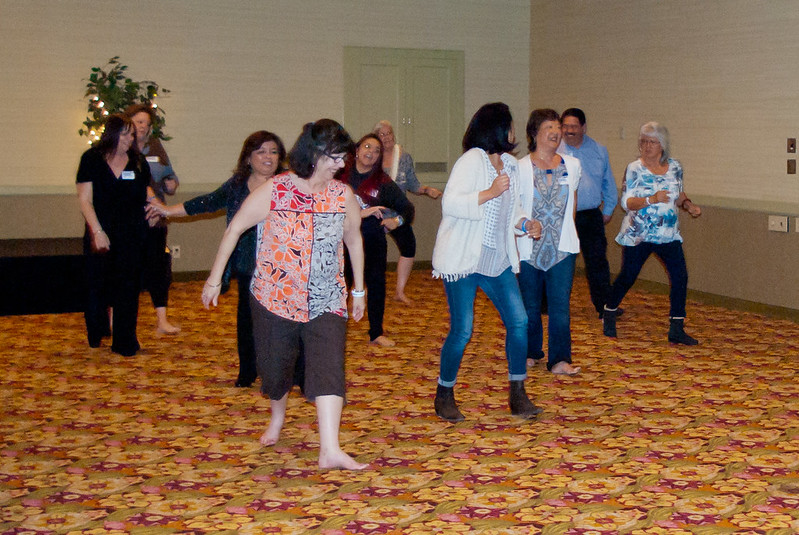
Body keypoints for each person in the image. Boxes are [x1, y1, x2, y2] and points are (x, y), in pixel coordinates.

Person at [202, 119, 368, 470]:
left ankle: (330, 449)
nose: (342, 164)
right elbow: (235, 229)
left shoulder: (342, 195)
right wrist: (215, 279)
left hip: (327, 299)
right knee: (276, 372)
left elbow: (354, 240)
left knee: (329, 368)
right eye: (335, 157)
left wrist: (358, 290)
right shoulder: (276, 190)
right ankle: (277, 415)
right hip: (274, 298)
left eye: (343, 158)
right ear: (315, 154)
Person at [147, 131, 286, 387]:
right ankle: (248, 371)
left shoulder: (289, 185)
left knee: (284, 321)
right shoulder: (236, 185)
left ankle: (291, 372)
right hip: (247, 264)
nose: (268, 157)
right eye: (261, 151)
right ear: (248, 157)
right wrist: (168, 211)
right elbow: (206, 202)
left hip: (282, 265)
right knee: (247, 319)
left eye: (274, 152)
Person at [431, 102, 542, 422]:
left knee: (519, 322)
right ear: (495, 128)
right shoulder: (471, 161)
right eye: (508, 125)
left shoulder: (510, 164)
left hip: (497, 259)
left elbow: (515, 210)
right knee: (463, 330)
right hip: (464, 259)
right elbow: (450, 204)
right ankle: (444, 392)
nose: (512, 132)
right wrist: (489, 192)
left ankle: (518, 394)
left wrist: (526, 225)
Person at [603, 122, 702, 345]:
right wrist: (651, 199)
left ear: (662, 145)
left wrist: (688, 205)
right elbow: (627, 202)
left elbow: (678, 193)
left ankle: (676, 327)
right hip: (639, 234)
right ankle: (609, 311)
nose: (647, 146)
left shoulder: (675, 167)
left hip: (667, 234)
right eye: (643, 142)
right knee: (628, 276)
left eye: (652, 142)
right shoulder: (634, 168)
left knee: (680, 277)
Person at [76, 114, 155, 356]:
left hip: (132, 233)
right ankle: (97, 331)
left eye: (131, 134)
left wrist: (154, 209)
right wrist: (97, 230)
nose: (129, 139)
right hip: (101, 230)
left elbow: (145, 193)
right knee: (98, 284)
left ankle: (125, 341)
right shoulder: (91, 159)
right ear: (111, 134)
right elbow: (85, 200)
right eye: (124, 134)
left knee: (128, 287)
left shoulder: (138, 161)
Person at [517, 109, 582, 376]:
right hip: (528, 247)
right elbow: (515, 207)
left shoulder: (572, 165)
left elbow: (573, 203)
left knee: (559, 305)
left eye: (557, 127)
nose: (556, 132)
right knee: (529, 306)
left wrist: (566, 232)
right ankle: (531, 351)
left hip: (561, 247)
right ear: (534, 133)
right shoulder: (520, 167)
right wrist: (525, 224)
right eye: (548, 127)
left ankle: (559, 359)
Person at [339, 133, 415, 347]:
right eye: (367, 147)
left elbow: (408, 209)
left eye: (376, 150)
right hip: (342, 241)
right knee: (341, 286)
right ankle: (335, 330)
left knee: (376, 284)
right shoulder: (340, 175)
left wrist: (397, 221)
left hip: (372, 241)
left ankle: (376, 332)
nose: (370, 152)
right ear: (357, 150)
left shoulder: (383, 182)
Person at [373, 120, 442, 304]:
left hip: (398, 214)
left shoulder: (403, 157)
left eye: (389, 133)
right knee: (370, 253)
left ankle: (400, 292)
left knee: (409, 247)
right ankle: (362, 292)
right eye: (383, 134)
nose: (387, 137)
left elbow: (413, 184)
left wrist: (427, 190)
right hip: (375, 212)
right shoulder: (372, 156)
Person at [126, 103, 181, 334]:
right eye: (139, 122)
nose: (143, 127)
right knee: (127, 270)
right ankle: (117, 320)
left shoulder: (155, 146)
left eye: (147, 124)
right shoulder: (122, 148)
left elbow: (170, 177)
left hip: (156, 218)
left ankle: (162, 320)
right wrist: (150, 202)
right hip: (130, 218)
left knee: (158, 269)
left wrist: (171, 184)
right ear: (129, 122)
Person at [558, 108, 618, 318]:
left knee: (597, 261)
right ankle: (548, 304)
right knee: (558, 260)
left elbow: (608, 181)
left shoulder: (599, 150)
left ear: (583, 127)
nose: (569, 131)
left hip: (590, 214)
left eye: (573, 127)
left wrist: (609, 208)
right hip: (561, 214)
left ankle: (604, 306)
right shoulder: (555, 149)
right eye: (565, 126)